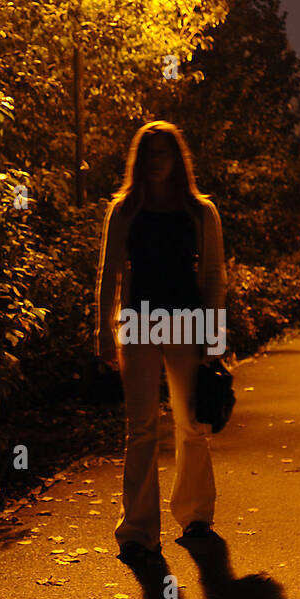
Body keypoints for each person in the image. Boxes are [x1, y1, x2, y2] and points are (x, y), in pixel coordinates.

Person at [94, 120, 227, 563]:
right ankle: (138, 531)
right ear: (139, 160)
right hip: (137, 323)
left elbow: (212, 277)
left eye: (163, 153)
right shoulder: (125, 209)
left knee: (192, 424)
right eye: (148, 154)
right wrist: (102, 332)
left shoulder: (199, 211)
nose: (156, 162)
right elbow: (110, 273)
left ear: (177, 159)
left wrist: (214, 333)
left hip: (188, 322)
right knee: (142, 428)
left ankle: (195, 513)